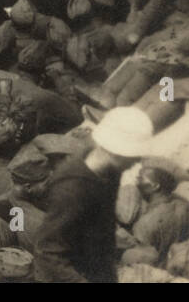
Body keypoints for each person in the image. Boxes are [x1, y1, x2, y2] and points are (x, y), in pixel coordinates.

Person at [33, 106, 152, 282]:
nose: (136, 162)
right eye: (133, 155)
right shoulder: (72, 188)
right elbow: (47, 252)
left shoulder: (110, 173)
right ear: (116, 151)